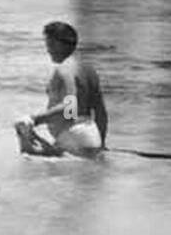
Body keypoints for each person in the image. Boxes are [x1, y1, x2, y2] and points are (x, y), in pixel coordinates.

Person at [14, 21, 108, 157]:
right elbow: (101, 113)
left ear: (59, 44)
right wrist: (101, 144)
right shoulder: (89, 70)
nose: (47, 49)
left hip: (72, 136)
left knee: (22, 133)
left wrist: (34, 120)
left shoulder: (65, 69)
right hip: (92, 135)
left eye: (49, 44)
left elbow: (70, 107)